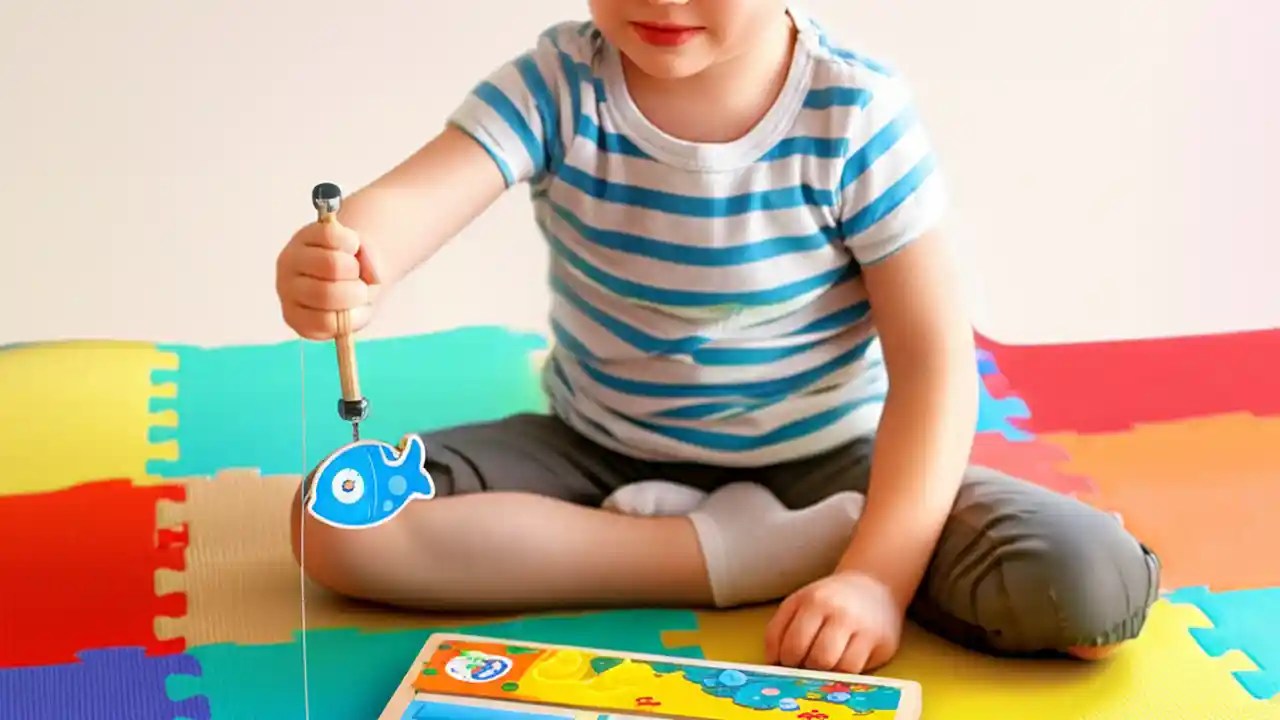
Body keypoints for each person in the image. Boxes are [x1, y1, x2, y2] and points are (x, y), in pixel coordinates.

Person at [276, 0, 1160, 673]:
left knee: (1088, 584)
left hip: (834, 464)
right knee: (338, 521)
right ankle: (741, 554)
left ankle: (834, 546)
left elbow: (935, 370)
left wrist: (876, 577)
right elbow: (402, 209)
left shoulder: (854, 116)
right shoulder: (557, 84)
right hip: (599, 450)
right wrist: (349, 259)